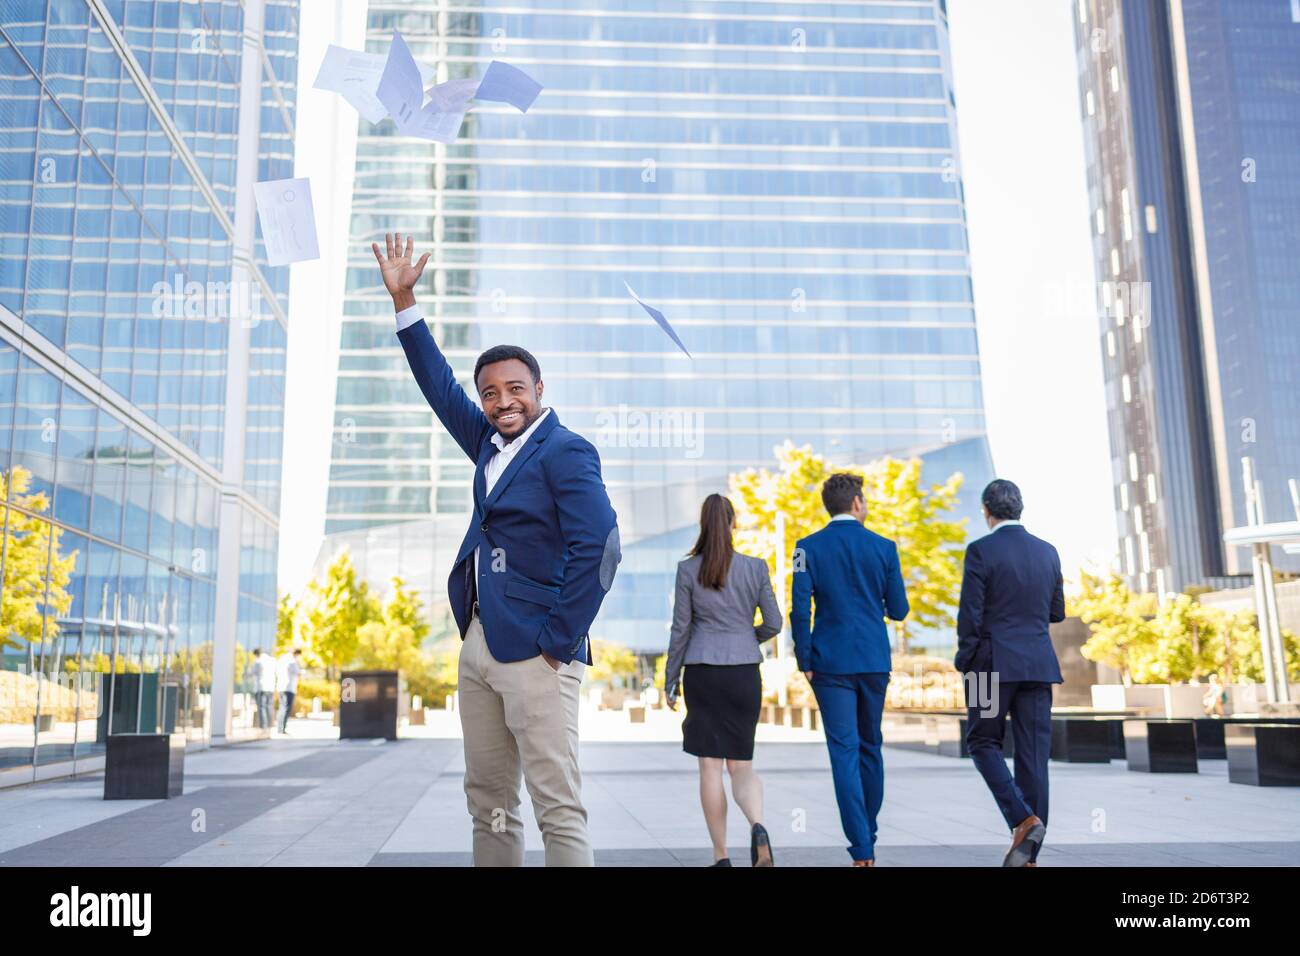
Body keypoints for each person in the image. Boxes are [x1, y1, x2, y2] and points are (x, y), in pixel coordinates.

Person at [373, 233, 620, 867]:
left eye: (515, 388)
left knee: (555, 805)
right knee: (488, 801)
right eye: (490, 393)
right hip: (479, 642)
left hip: (538, 649)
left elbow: (603, 550)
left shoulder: (565, 451)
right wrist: (404, 301)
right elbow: (437, 386)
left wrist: (556, 644)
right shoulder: (488, 443)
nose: (502, 401)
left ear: (539, 387)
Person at [791, 473, 909, 867]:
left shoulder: (805, 548)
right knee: (871, 746)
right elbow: (899, 610)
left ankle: (862, 845)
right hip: (874, 660)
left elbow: (799, 608)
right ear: (857, 503)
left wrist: (804, 660)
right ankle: (866, 836)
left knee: (843, 751)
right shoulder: (885, 547)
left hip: (829, 664)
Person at [664, 494, 781, 867]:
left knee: (710, 766)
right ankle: (758, 825)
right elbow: (775, 623)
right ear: (733, 523)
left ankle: (721, 855)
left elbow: (680, 630)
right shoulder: (756, 567)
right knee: (742, 765)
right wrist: (749, 639)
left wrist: (670, 680)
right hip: (744, 672)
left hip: (702, 673)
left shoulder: (688, 571)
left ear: (703, 525)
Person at [956, 479, 1065, 868]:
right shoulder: (1048, 552)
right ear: (1020, 508)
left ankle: (1023, 820)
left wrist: (964, 661)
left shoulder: (981, 551)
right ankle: (1030, 854)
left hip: (988, 667)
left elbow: (970, 613)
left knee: (983, 743)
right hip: (1038, 664)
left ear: (987, 511)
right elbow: (1057, 612)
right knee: (1034, 756)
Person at [277, 649, 303, 734]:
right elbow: (298, 672)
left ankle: (280, 728)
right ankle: (282, 728)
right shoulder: (292, 662)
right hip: (289, 688)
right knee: (286, 708)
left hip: (281, 687)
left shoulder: (282, 660)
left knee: (282, 708)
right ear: (297, 654)